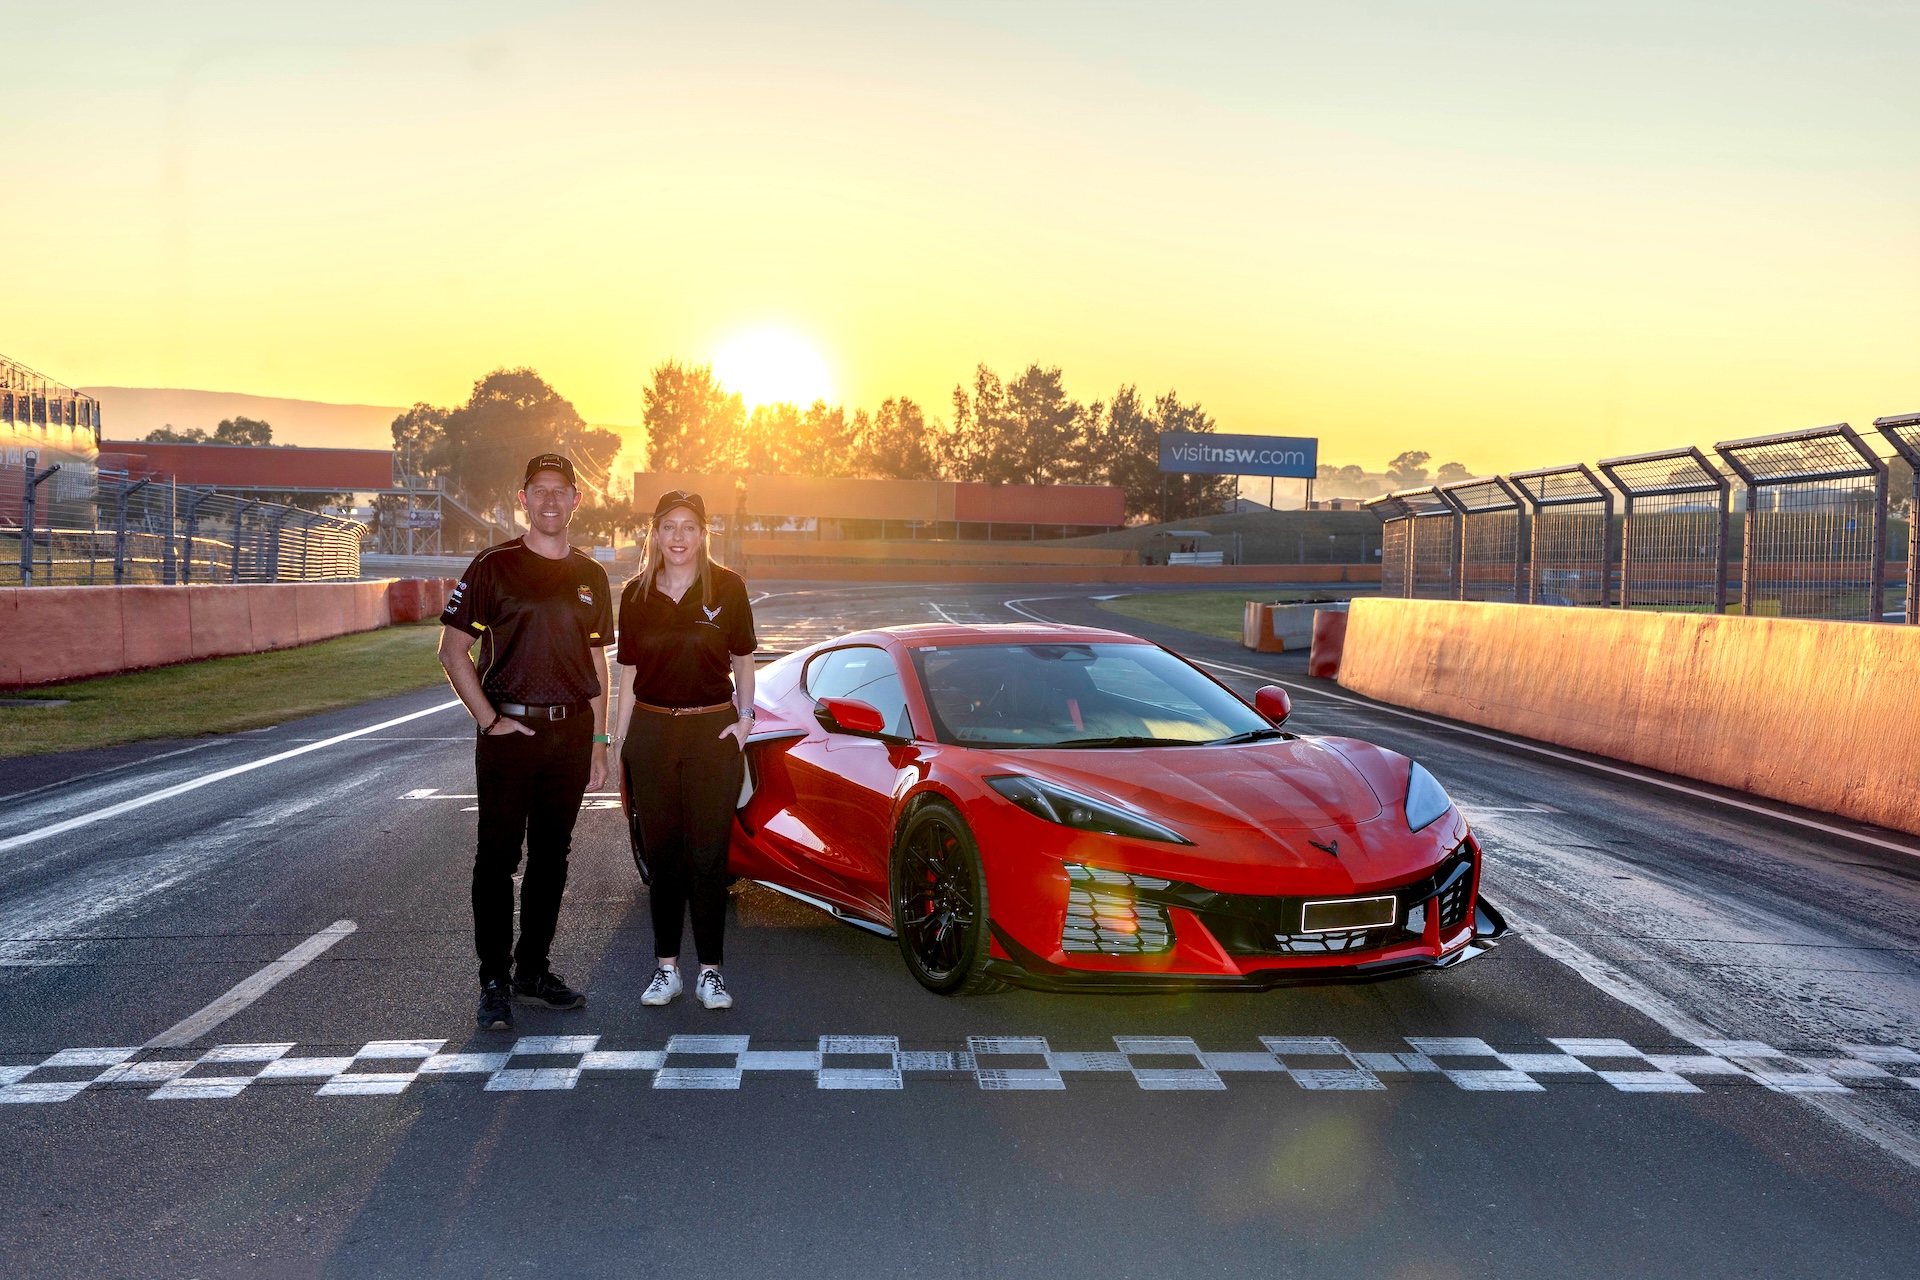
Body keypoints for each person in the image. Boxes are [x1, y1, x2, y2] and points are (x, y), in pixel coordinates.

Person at [439, 453, 613, 1031]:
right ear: (524, 498)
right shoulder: (493, 566)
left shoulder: (591, 575)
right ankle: (494, 981)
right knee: (497, 858)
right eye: (538, 490)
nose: (549, 501)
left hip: (571, 733)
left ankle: (532, 971)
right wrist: (490, 720)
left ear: (575, 499)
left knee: (551, 859)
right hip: (510, 732)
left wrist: (601, 739)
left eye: (560, 490)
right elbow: (452, 651)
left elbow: (597, 663)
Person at [613, 490, 757, 1011]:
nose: (678, 536)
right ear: (654, 532)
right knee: (662, 854)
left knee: (708, 855)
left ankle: (711, 972)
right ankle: (667, 969)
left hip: (711, 734)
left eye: (688, 527)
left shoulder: (729, 588)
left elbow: (742, 661)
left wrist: (745, 721)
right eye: (668, 526)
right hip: (652, 733)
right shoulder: (634, 594)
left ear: (703, 534)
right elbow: (626, 673)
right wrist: (617, 741)